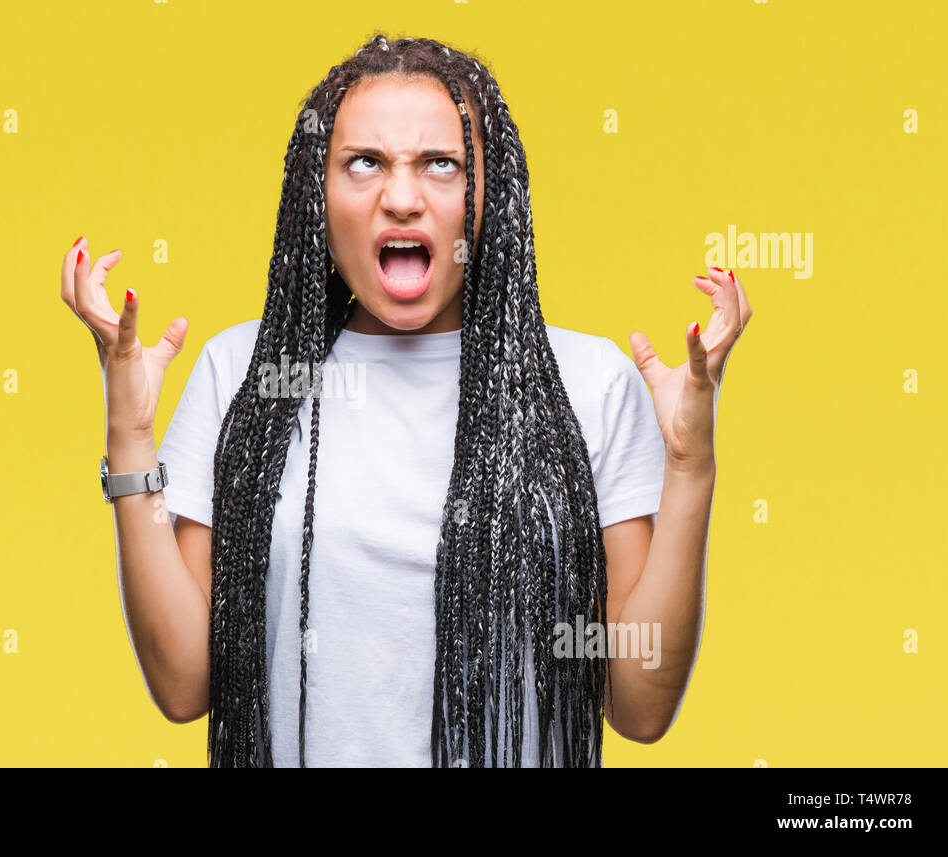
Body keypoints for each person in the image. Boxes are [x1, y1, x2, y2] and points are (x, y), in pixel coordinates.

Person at [59, 34, 751, 768]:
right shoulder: (248, 373)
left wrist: (690, 466)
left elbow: (641, 706)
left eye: (441, 165)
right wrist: (132, 436)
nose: (401, 197)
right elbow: (182, 684)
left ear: (491, 195)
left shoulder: (587, 382)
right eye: (365, 163)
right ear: (315, 195)